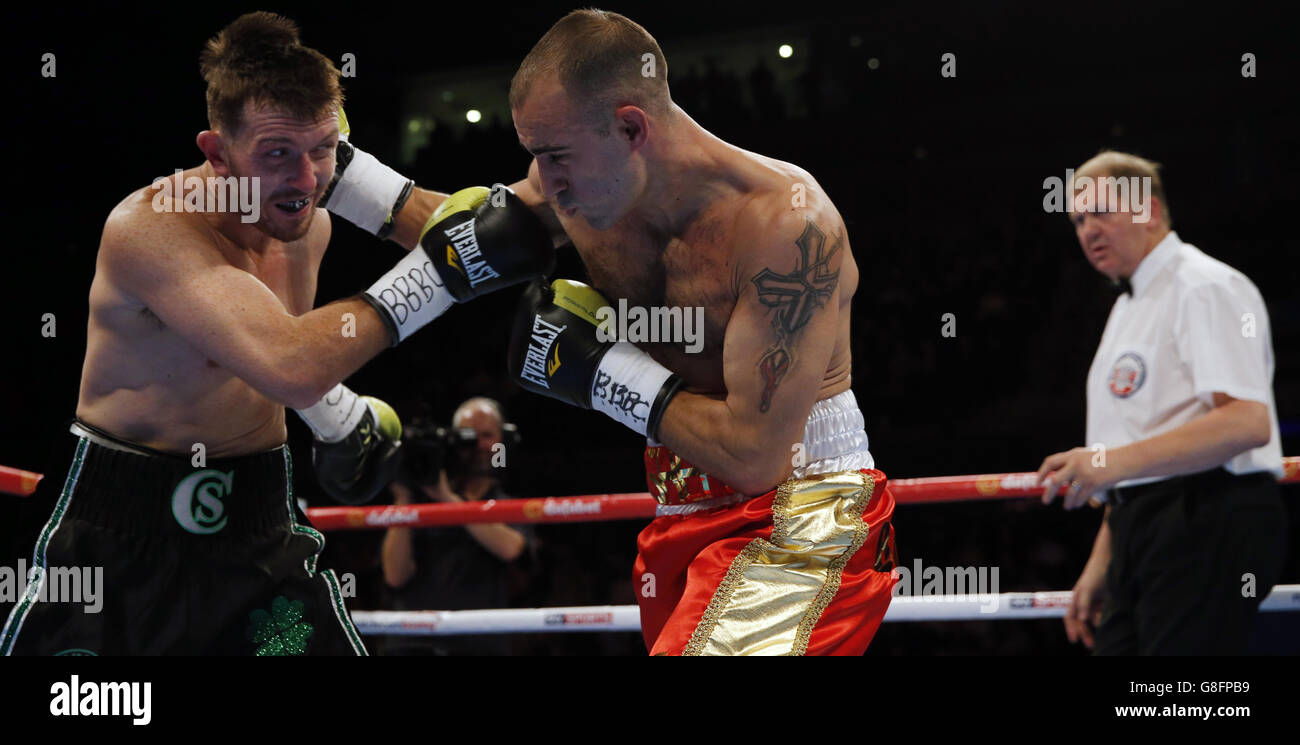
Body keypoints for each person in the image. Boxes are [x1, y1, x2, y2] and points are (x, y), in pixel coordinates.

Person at [1, 12, 552, 656]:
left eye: (323, 149)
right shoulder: (152, 228)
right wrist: (439, 275)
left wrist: (556, 203)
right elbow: (287, 362)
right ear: (216, 152)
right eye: (277, 154)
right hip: (119, 535)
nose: (307, 179)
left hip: (258, 530)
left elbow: (458, 226)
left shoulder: (304, 221)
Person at [498, 10, 896, 655]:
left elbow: (755, 457)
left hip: (805, 507)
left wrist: (605, 374)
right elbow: (463, 241)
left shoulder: (785, 223)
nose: (544, 178)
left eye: (554, 154)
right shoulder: (593, 195)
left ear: (631, 127)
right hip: (679, 506)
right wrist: (338, 173)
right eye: (535, 155)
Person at [1037, 150, 1287, 655]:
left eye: (1102, 212)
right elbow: (1127, 455)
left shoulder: (1204, 286)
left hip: (1208, 513)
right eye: (1079, 220)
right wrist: (1100, 564)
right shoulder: (1128, 308)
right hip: (1144, 524)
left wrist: (1105, 463)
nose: (1088, 230)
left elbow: (1246, 421)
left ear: (1148, 211)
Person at [380, 398, 533, 655]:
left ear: (504, 441)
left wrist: (447, 499)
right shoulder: (419, 502)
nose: (478, 445)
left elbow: (511, 548)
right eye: (468, 435)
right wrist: (404, 497)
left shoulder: (507, 505)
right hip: (414, 644)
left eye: (487, 435)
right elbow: (395, 575)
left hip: (476, 644)